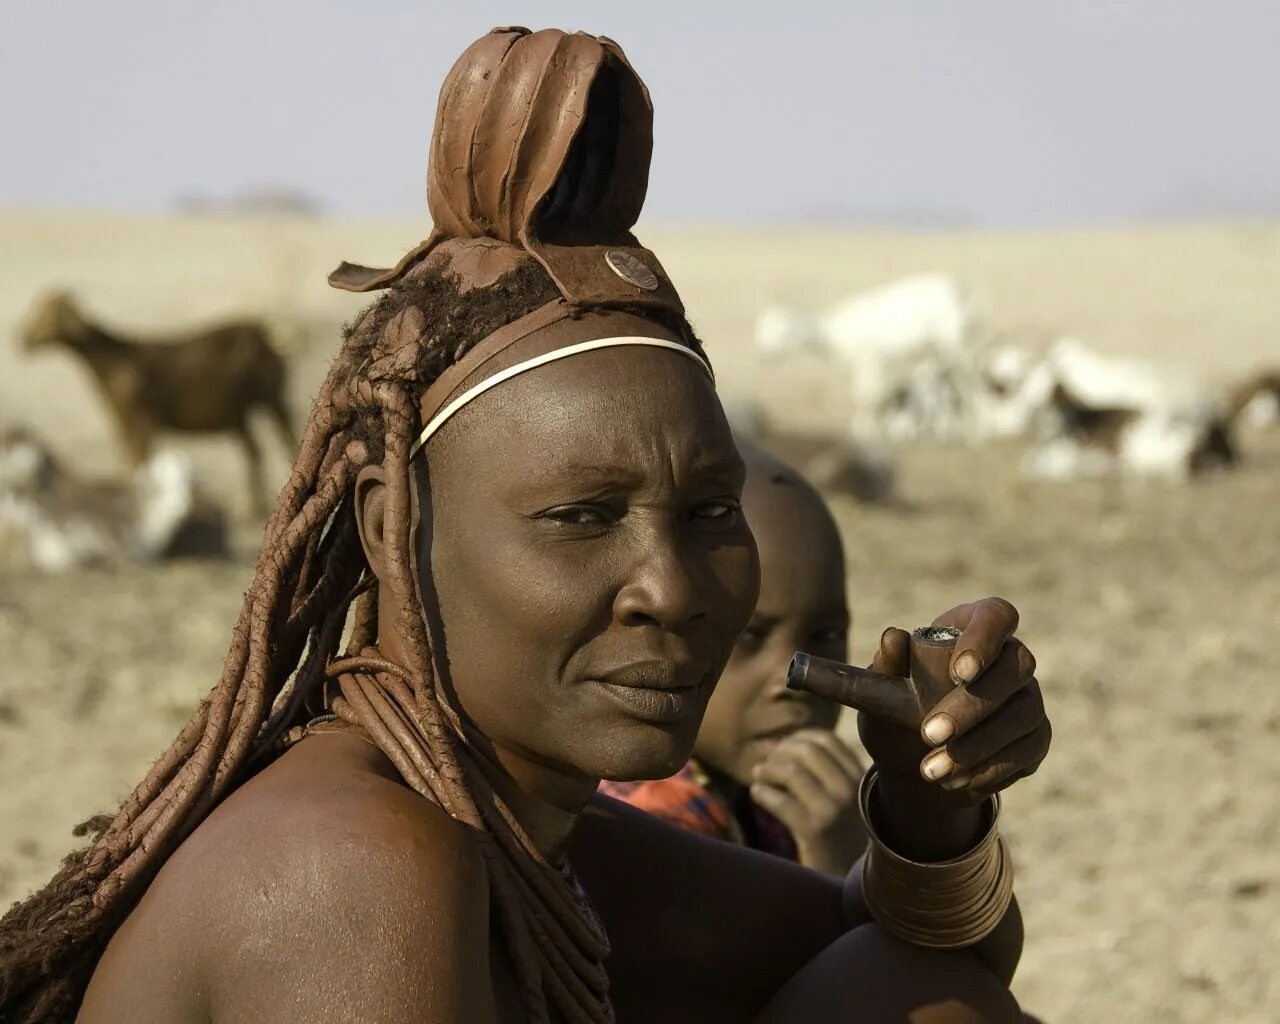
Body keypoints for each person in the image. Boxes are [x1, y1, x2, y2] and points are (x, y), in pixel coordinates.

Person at [0, 27, 1051, 1024]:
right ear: (386, 529)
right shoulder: (353, 866)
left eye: (709, 511)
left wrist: (927, 801)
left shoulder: (544, 842)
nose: (675, 588)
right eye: (582, 516)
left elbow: (906, 972)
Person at [600, 441, 869, 873]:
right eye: (750, 636)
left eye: (827, 635)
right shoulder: (654, 823)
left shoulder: (775, 803)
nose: (793, 679)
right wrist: (838, 874)